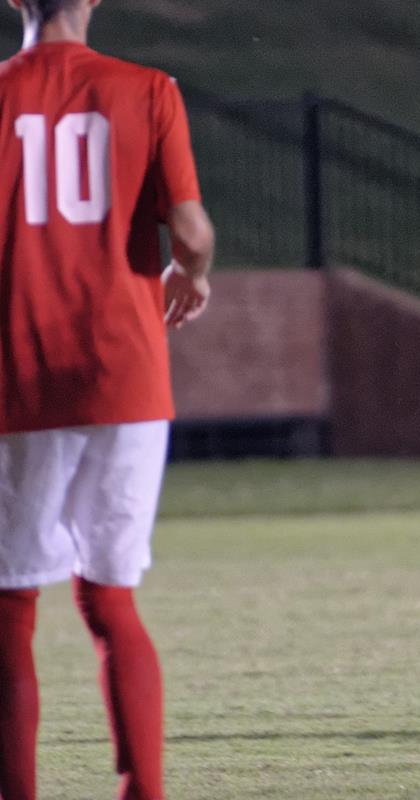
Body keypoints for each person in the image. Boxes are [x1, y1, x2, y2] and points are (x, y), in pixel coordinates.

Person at [0, 0, 217, 797]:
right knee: (110, 597)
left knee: (10, 607)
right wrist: (190, 275)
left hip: (18, 372)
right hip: (125, 373)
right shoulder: (149, 89)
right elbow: (190, 231)